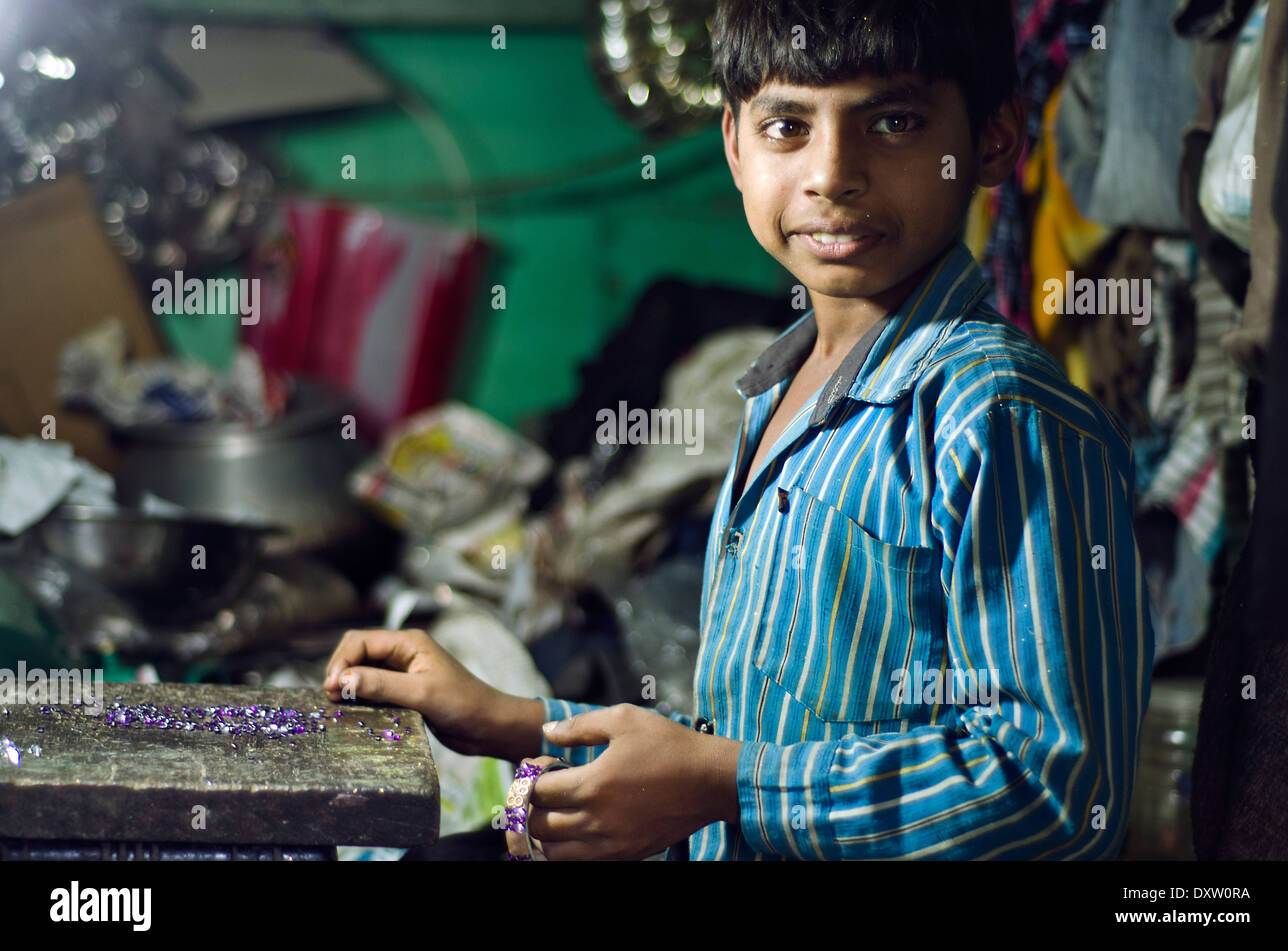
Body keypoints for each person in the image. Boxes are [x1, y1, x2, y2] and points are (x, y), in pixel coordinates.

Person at [323, 0, 1155, 860]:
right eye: (788, 125)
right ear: (733, 143)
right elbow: (740, 742)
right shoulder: (773, 393)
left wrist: (726, 784)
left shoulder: (999, 412)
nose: (833, 173)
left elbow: (1055, 791)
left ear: (990, 141)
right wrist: (519, 720)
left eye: (895, 121)